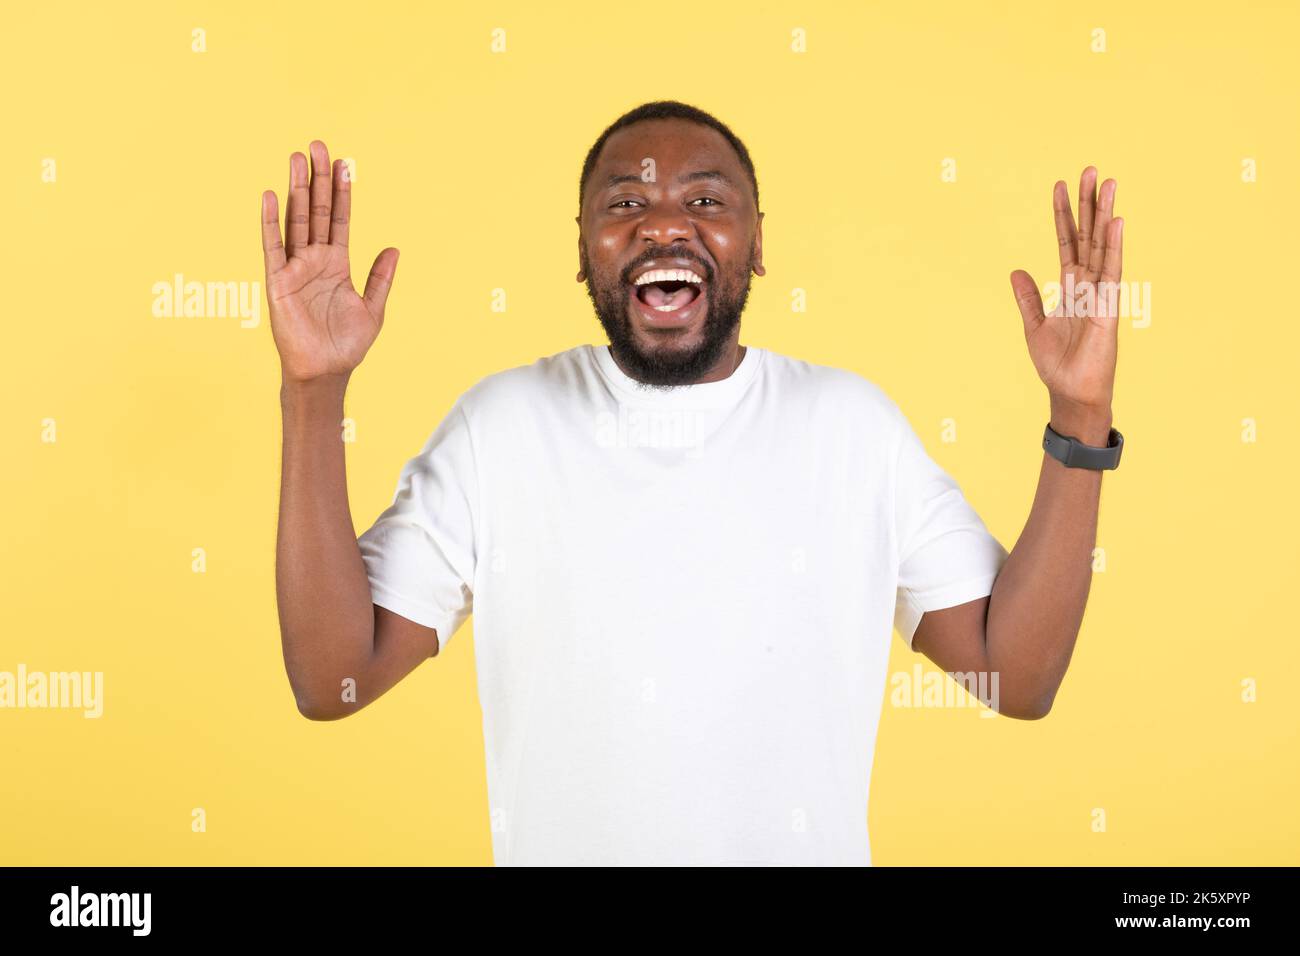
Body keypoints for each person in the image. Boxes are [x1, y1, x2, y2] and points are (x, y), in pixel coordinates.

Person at [261, 100, 1125, 866]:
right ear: (581, 250)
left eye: (705, 201)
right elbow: (333, 677)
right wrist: (314, 388)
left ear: (756, 247)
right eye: (626, 204)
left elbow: (1016, 678)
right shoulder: (503, 427)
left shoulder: (850, 429)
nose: (663, 226)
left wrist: (1080, 414)